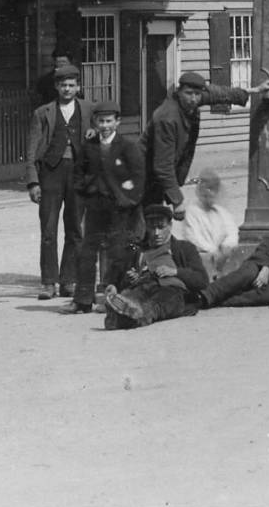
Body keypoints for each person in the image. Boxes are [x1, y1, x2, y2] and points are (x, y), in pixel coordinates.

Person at [145, 71, 259, 211]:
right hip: (142, 175)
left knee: (155, 216)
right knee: (143, 216)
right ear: (179, 92)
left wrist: (250, 91)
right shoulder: (167, 118)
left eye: (197, 94)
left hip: (157, 179)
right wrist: (177, 202)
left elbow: (216, 93)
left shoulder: (189, 102)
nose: (193, 99)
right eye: (188, 93)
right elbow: (163, 166)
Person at [71, 100, 143, 314]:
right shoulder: (89, 147)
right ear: (95, 122)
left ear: (117, 122)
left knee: (118, 252)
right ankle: (83, 300)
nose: (104, 126)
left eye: (109, 121)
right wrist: (86, 190)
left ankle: (115, 298)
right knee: (87, 252)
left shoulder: (127, 146)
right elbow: (78, 173)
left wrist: (128, 200)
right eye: (101, 121)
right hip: (95, 207)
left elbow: (138, 176)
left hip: (119, 209)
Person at [25, 64, 89, 301]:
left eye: (71, 85)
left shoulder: (88, 110)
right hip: (51, 173)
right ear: (56, 87)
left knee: (75, 229)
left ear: (78, 87)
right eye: (63, 85)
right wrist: (33, 182)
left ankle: (68, 280)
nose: (67, 89)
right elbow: (31, 150)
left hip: (78, 174)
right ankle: (48, 282)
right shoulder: (43, 113)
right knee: (49, 229)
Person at [101, 205, 209, 330]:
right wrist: (119, 283)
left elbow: (202, 280)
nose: (157, 233)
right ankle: (120, 312)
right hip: (142, 287)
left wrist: (175, 272)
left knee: (159, 303)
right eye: (152, 228)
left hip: (171, 289)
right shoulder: (137, 251)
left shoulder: (184, 247)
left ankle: (126, 317)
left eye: (161, 227)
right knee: (130, 298)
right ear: (146, 227)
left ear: (170, 226)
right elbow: (117, 277)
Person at [178, 168, 245, 276]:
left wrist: (227, 245)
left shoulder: (221, 212)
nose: (209, 193)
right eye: (206, 190)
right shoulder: (192, 211)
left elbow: (232, 231)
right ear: (200, 191)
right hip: (203, 257)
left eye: (213, 189)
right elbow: (194, 238)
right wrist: (213, 251)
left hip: (222, 256)